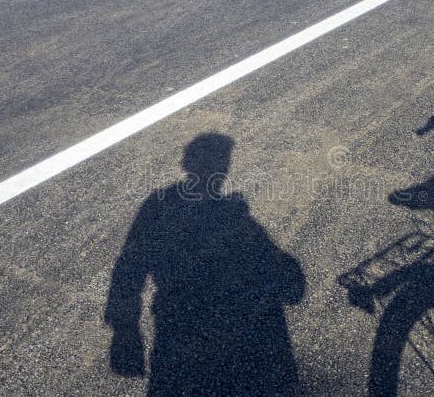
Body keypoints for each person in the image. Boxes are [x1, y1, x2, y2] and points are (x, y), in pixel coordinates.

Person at [105, 133, 305, 395]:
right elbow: (283, 276)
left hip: (180, 339)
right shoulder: (228, 217)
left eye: (222, 162)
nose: (219, 169)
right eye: (216, 162)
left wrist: (125, 329)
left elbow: (128, 271)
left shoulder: (163, 207)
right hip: (227, 345)